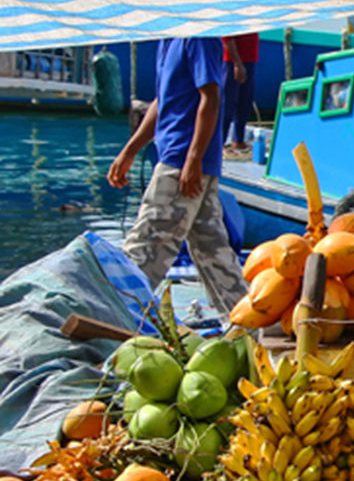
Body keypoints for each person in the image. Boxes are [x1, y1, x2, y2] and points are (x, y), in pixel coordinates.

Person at [107, 37, 248, 319]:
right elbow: (162, 101)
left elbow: (211, 97)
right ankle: (245, 322)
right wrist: (129, 151)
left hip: (181, 163)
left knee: (145, 248)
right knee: (213, 252)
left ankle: (116, 319)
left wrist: (193, 159)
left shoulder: (198, 37)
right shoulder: (169, 40)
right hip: (180, 159)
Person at [221, 32, 259, 154]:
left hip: (249, 59)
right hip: (232, 62)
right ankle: (219, 143)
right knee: (227, 102)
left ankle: (238, 139)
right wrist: (237, 63)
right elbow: (227, 36)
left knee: (245, 101)